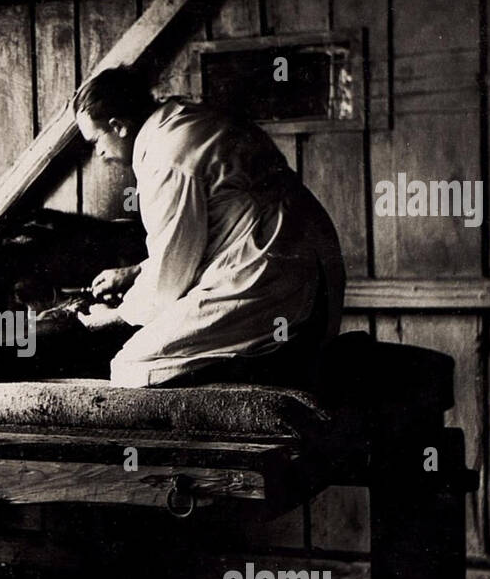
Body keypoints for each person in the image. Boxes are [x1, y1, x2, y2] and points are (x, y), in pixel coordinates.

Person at [72, 67, 345, 389]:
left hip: (269, 276)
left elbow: (170, 274)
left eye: (95, 141)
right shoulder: (188, 121)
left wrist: (116, 316)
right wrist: (133, 273)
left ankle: (270, 366)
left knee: (134, 366)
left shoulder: (166, 158)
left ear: (118, 126)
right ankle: (276, 351)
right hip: (307, 261)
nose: (98, 154)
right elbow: (213, 231)